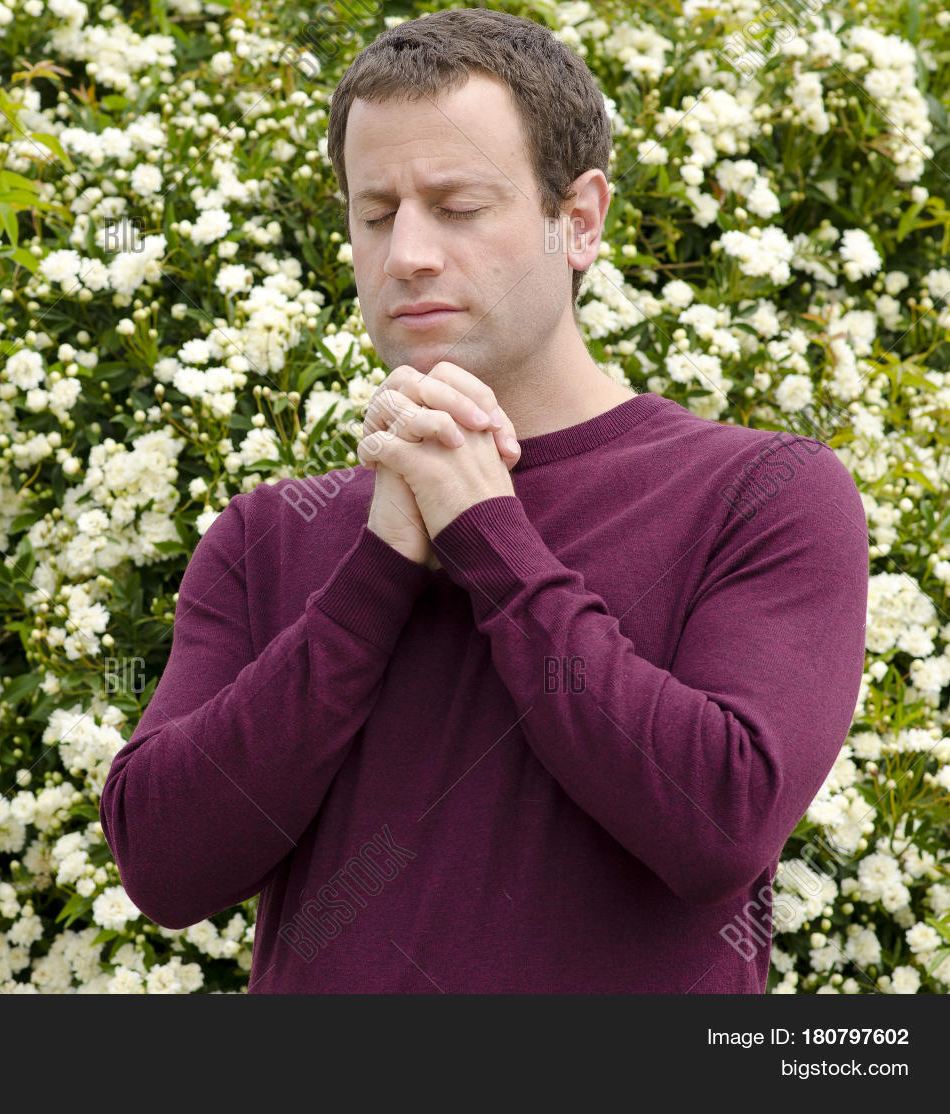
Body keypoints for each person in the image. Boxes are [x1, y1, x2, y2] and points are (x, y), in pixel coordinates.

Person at [99, 7, 868, 992]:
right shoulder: (265, 538)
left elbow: (719, 824)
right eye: (375, 214)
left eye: (458, 207)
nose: (406, 254)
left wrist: (486, 531)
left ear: (577, 221)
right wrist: (375, 572)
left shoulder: (759, 495)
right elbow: (164, 867)